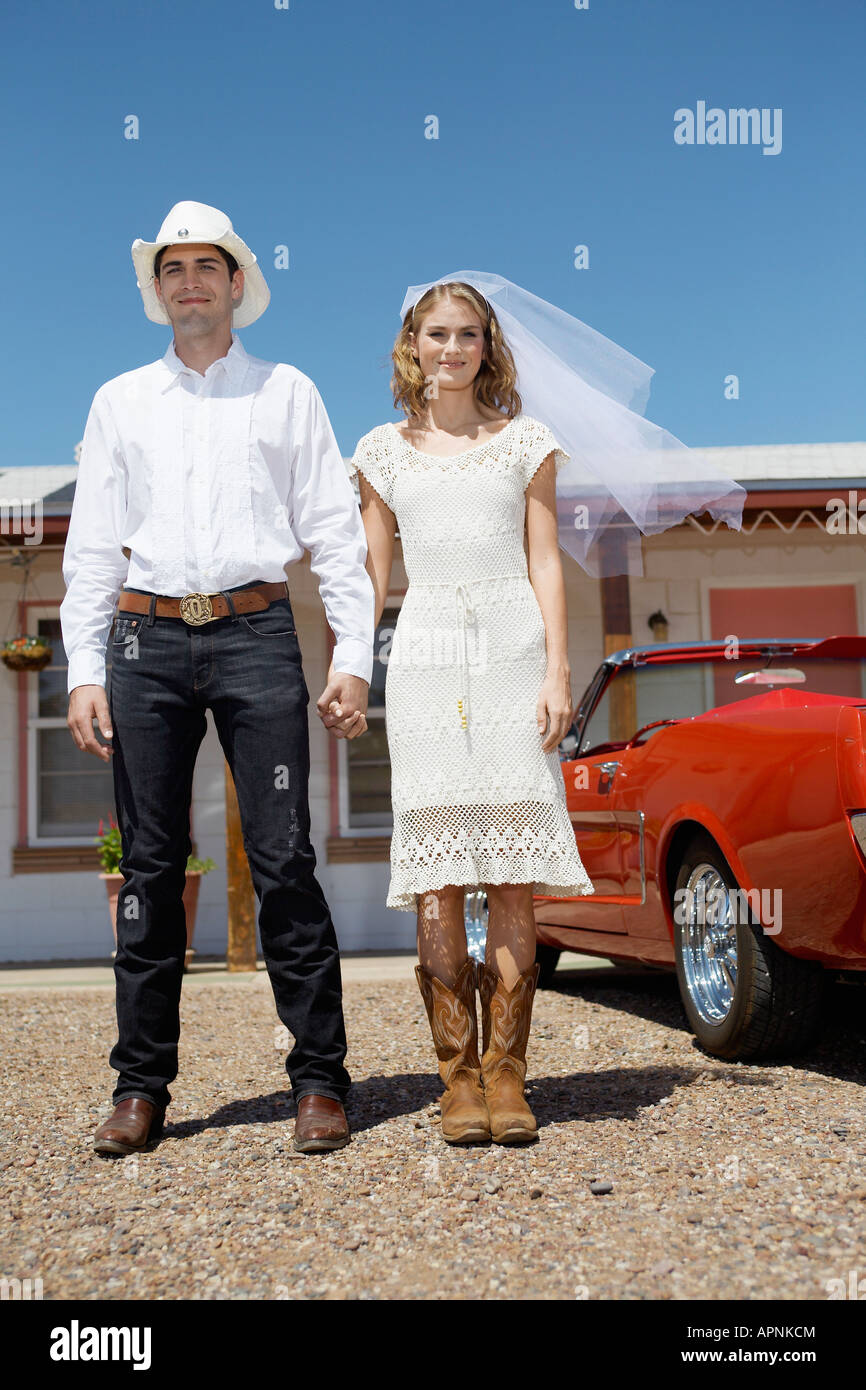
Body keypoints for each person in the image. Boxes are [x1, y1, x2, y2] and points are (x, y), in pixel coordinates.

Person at [60, 201, 375, 1156]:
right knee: (149, 866)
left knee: (283, 856)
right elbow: (88, 553)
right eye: (173, 268)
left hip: (256, 635)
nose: (191, 280)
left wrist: (352, 658)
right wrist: (83, 667)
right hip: (144, 643)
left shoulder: (288, 392)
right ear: (156, 291)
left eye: (209, 265)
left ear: (239, 282)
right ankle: (140, 1087)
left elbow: (334, 534)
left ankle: (320, 1079)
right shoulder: (119, 401)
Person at [350, 281, 594, 1146]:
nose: (450, 348)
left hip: (511, 655)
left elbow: (546, 559)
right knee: (439, 874)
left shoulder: (526, 443)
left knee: (513, 872)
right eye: (435, 333)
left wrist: (559, 671)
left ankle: (508, 1074)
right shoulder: (381, 450)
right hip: (422, 660)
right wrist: (351, 663)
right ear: (410, 343)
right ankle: (456, 1079)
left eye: (466, 334)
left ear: (487, 346)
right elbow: (373, 576)